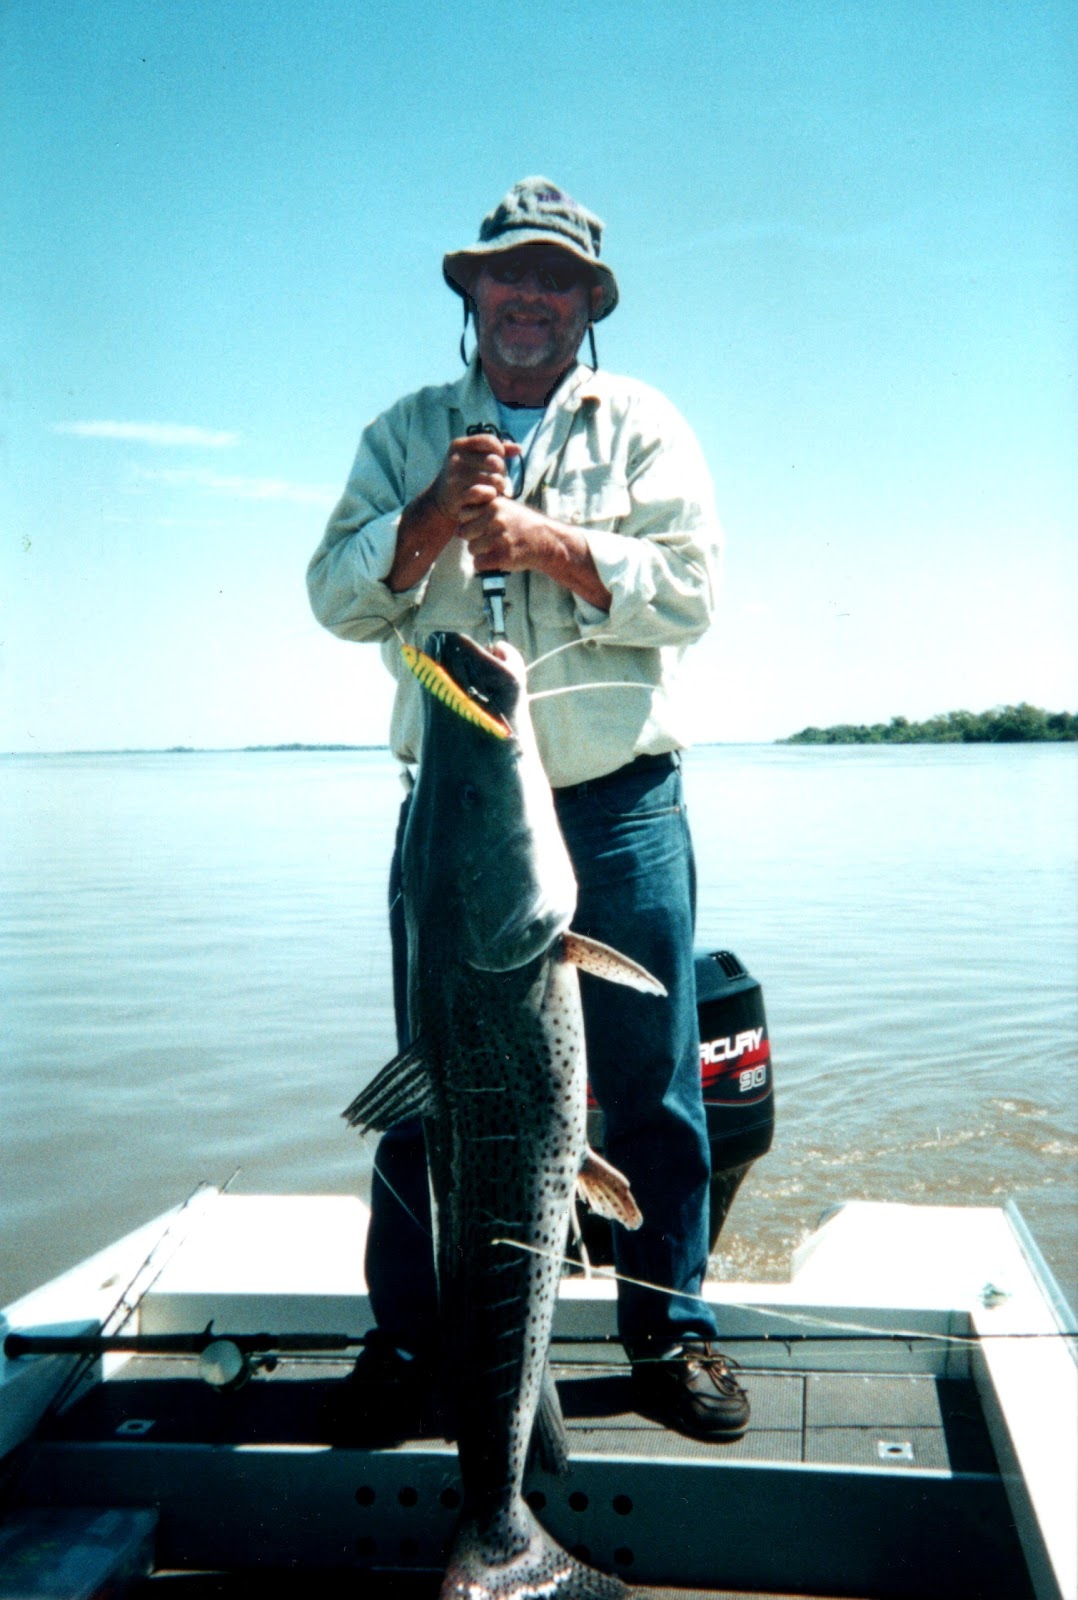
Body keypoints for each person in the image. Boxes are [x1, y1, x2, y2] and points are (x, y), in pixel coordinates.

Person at [306, 177, 749, 1442]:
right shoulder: (405, 433)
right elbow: (337, 598)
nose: (531, 297)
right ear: (473, 290)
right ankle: (408, 1338)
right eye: (509, 273)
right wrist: (430, 519)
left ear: (588, 303)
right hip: (458, 818)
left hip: (616, 806)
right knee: (433, 1087)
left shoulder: (646, 425)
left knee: (655, 1088)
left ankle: (668, 1329)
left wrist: (551, 545)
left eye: (558, 278)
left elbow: (693, 590)